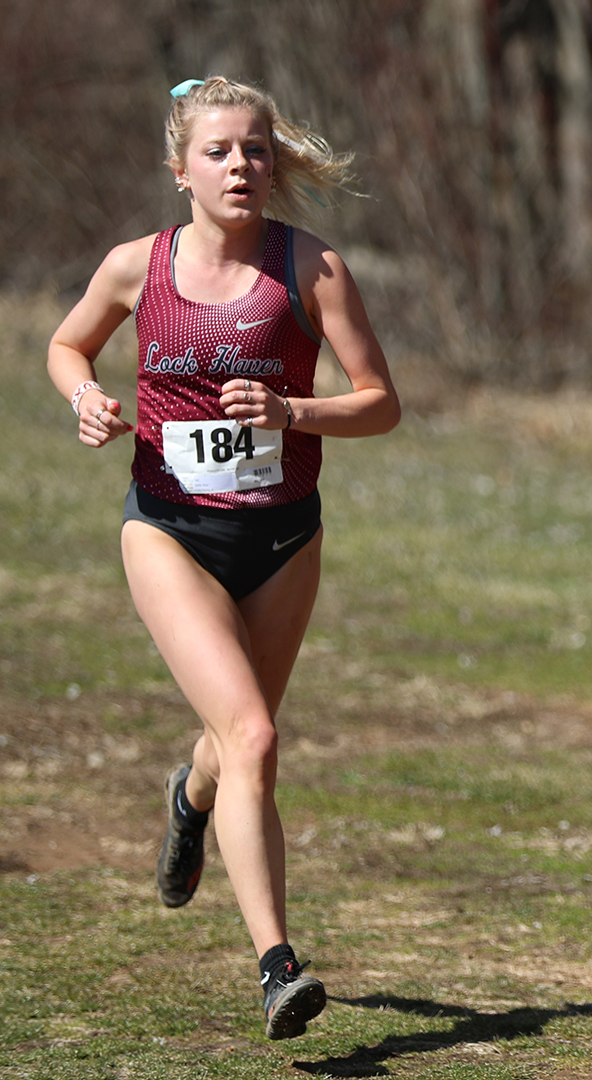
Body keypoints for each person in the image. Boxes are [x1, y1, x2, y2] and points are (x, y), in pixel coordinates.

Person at [46, 76, 400, 1040]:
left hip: (284, 537)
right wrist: (82, 395)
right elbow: (67, 347)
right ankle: (277, 967)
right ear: (180, 170)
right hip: (168, 529)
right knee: (254, 737)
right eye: (218, 151)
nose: (240, 164)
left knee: (234, 740)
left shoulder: (312, 268)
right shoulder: (136, 268)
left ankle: (187, 795)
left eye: (254, 149)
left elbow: (381, 400)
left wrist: (295, 411)